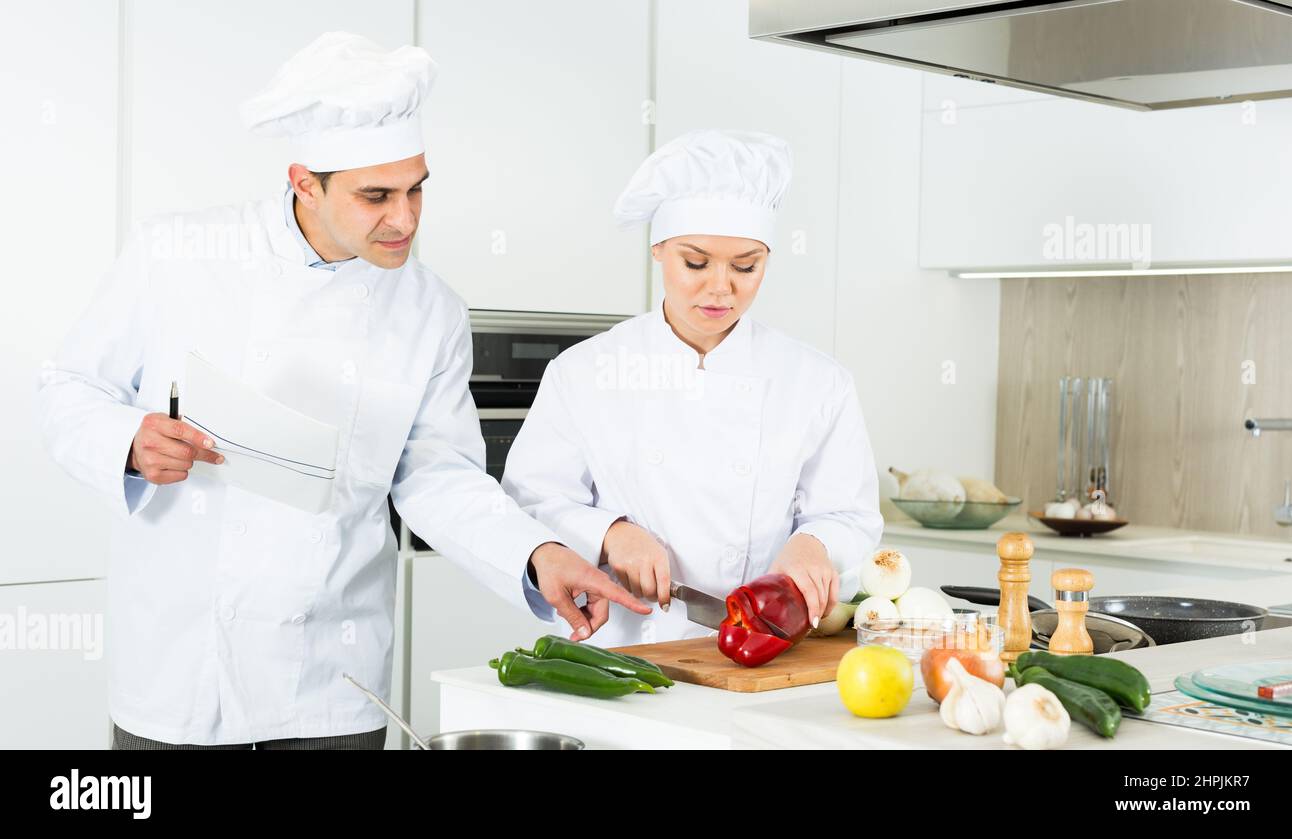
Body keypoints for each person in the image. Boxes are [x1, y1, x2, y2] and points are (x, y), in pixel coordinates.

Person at [36, 31, 645, 749]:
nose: (406, 218)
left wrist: (536, 554)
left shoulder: (431, 310)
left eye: (417, 188)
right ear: (305, 183)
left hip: (331, 681)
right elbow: (67, 385)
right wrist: (128, 444)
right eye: (376, 196)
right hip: (183, 671)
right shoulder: (175, 255)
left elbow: (438, 478)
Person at [503, 129, 883, 647]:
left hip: (767, 650)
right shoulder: (586, 371)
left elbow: (850, 515)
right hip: (629, 649)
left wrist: (815, 544)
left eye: (747, 266)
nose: (721, 287)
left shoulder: (818, 382)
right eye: (696, 262)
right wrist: (611, 534)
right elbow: (530, 501)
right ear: (658, 249)